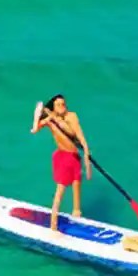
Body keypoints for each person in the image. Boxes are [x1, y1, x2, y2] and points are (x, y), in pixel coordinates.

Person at [31, 93, 92, 232]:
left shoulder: (72, 116)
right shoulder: (49, 121)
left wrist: (87, 160)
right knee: (61, 190)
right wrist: (38, 114)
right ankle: (53, 228)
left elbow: (81, 138)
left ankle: (77, 215)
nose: (62, 106)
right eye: (58, 105)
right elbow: (34, 130)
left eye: (63, 104)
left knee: (77, 185)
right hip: (63, 158)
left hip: (75, 157)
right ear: (53, 108)